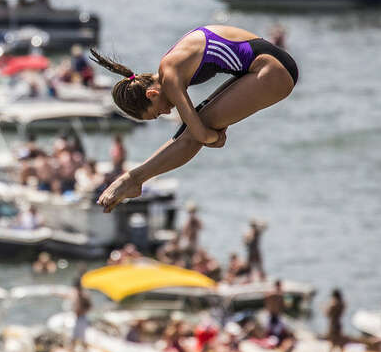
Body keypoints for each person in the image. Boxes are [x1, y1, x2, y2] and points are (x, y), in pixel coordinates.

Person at [90, 25, 298, 212]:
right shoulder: (168, 64)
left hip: (273, 72)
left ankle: (132, 179)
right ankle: (134, 179)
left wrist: (214, 138)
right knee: (194, 126)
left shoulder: (170, 77)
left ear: (152, 94)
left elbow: (199, 135)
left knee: (192, 134)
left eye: (157, 112)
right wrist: (210, 132)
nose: (166, 113)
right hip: (267, 65)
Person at [71, 282, 91, 352]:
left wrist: (81, 311)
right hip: (79, 317)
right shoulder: (81, 295)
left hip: (82, 317)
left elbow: (89, 306)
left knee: (81, 336)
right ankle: (77, 349)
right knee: (77, 335)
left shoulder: (83, 296)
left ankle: (84, 350)